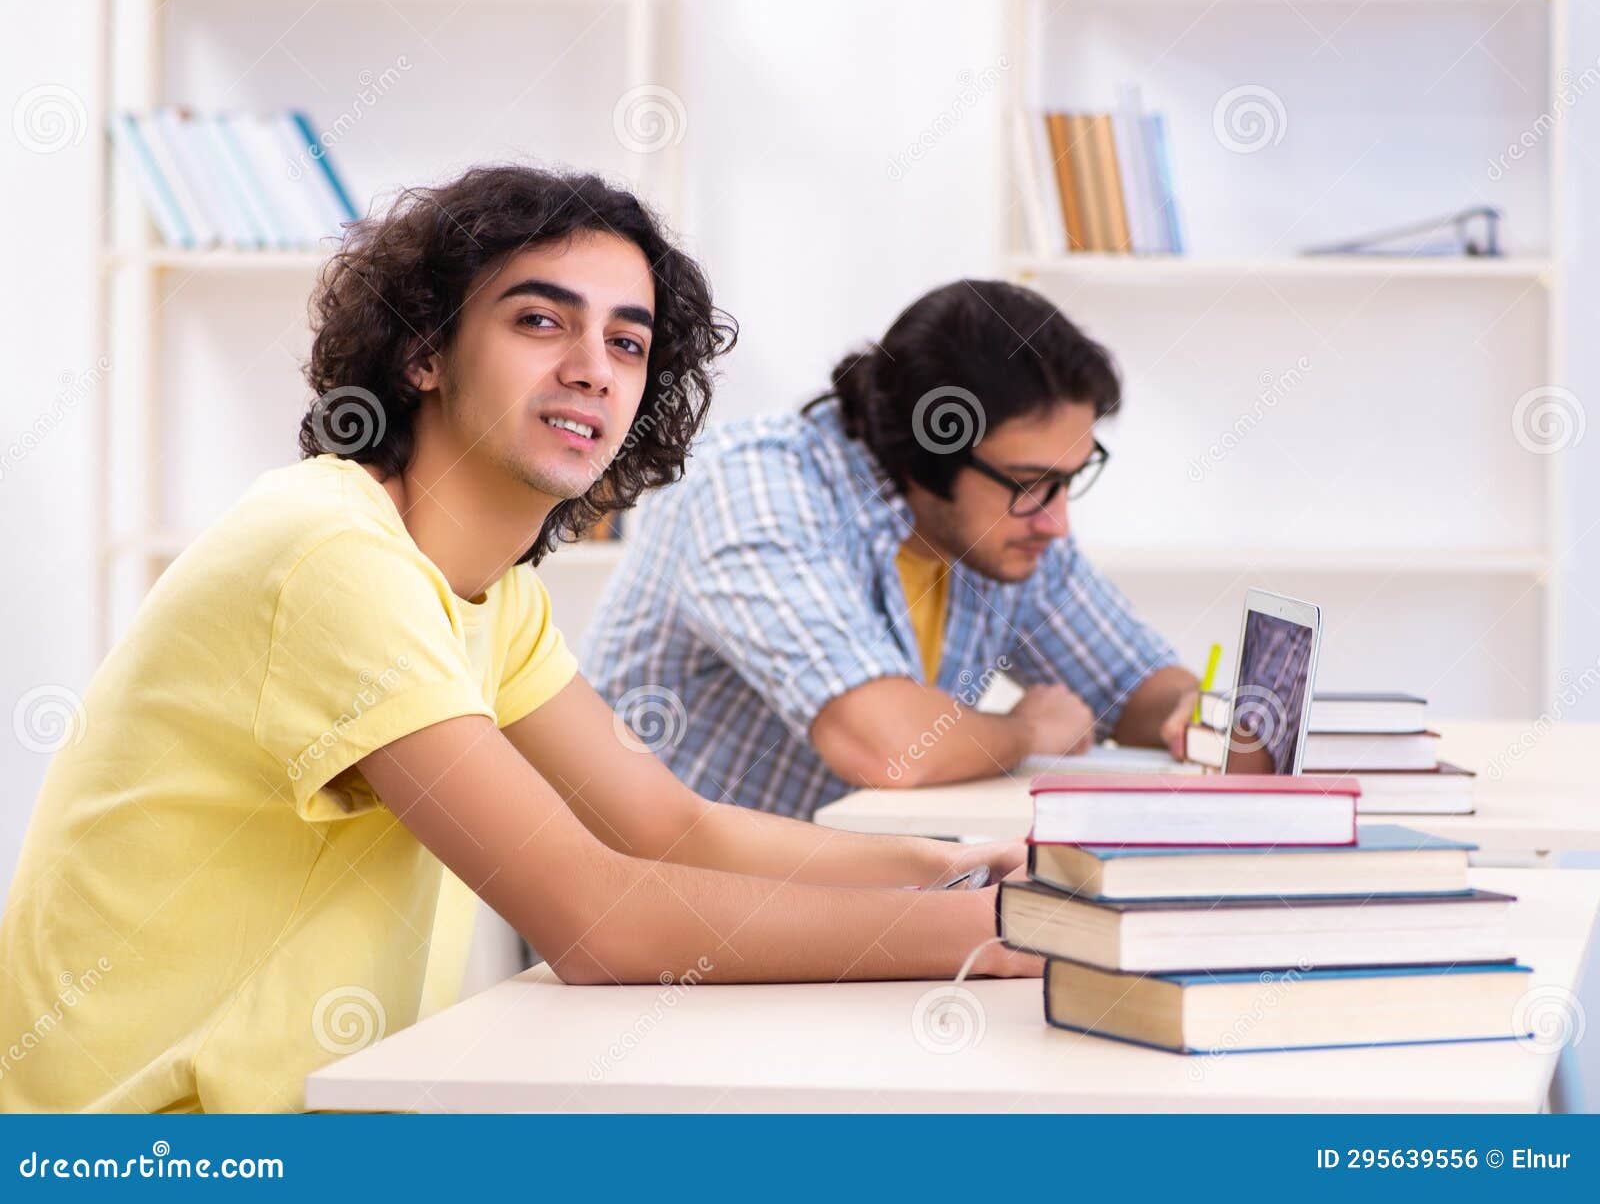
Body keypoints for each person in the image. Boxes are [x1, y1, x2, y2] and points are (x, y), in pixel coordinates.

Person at [0, 167, 1036, 1115]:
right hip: (128, 1149)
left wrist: (949, 869)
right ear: (423, 353)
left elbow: (671, 829)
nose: (592, 370)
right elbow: (595, 920)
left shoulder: (496, 596)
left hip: (309, 1117)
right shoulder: (330, 554)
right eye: (541, 321)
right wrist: (993, 935)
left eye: (627, 344)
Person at [587, 280, 1200, 821]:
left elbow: (1135, 686)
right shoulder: (754, 486)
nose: (1057, 522)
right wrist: (1029, 732)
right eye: (1030, 483)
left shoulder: (1007, 526)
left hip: (851, 892)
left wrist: (1191, 716)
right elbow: (888, 746)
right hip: (664, 896)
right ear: (934, 450)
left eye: (1068, 479)